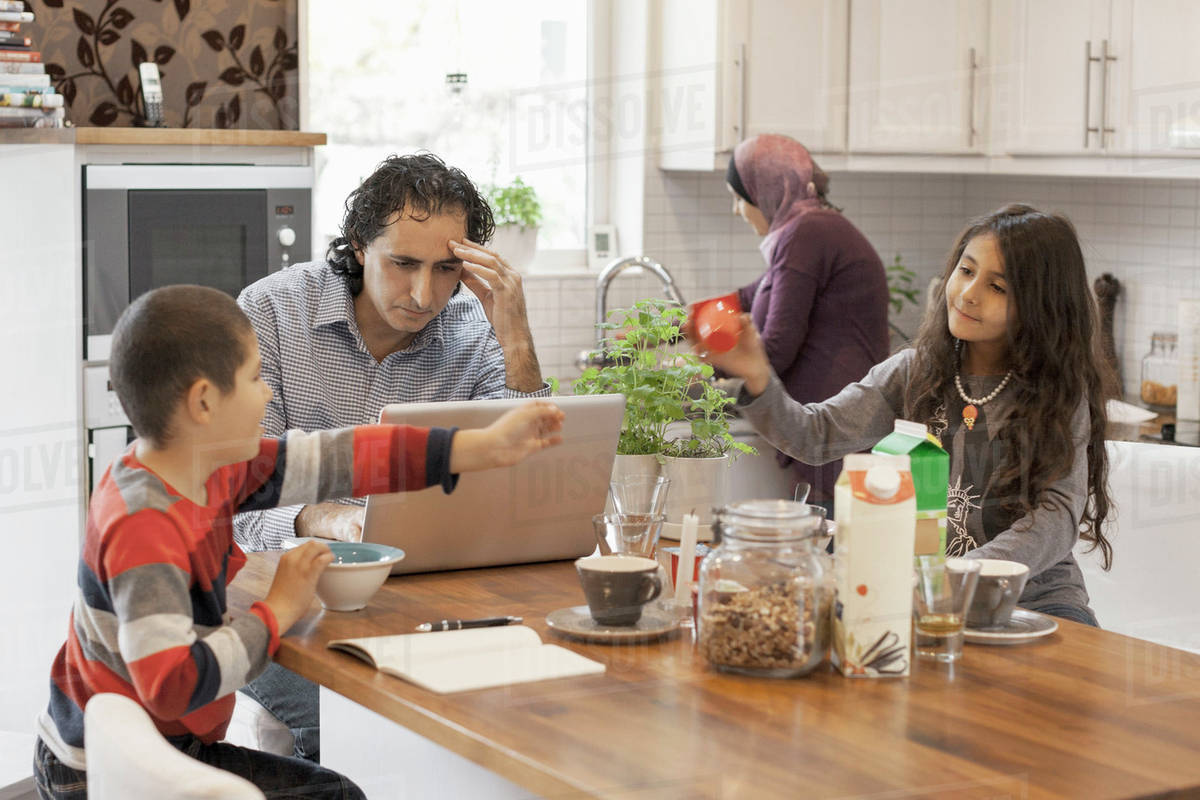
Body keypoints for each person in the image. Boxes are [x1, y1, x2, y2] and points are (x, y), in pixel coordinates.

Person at [32, 286, 564, 800]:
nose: (267, 392)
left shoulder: (212, 467)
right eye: (256, 377)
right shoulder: (143, 527)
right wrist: (277, 610)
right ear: (203, 402)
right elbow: (173, 683)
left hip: (165, 739)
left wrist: (479, 447)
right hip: (104, 766)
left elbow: (343, 455)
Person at [232, 152, 551, 760]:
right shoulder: (270, 313)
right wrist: (323, 519)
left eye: (447, 268)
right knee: (358, 727)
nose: (424, 293)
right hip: (286, 605)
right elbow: (237, 502)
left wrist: (515, 334)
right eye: (403, 263)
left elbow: (526, 480)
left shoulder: (476, 326)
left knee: (519, 712)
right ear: (358, 246)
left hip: (425, 600)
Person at [687, 204, 1113, 626]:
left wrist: (957, 577)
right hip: (925, 599)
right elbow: (813, 436)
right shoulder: (914, 372)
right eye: (966, 271)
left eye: (998, 287)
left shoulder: (1059, 394)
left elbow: (1056, 516)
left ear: (1040, 306)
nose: (968, 293)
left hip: (1037, 601)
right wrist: (759, 377)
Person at [722, 134, 890, 511]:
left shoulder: (807, 234)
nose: (737, 211)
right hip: (831, 433)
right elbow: (749, 296)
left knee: (832, 558)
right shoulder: (805, 231)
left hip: (836, 434)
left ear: (766, 191)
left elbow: (776, 349)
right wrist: (663, 328)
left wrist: (704, 368)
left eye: (739, 198)